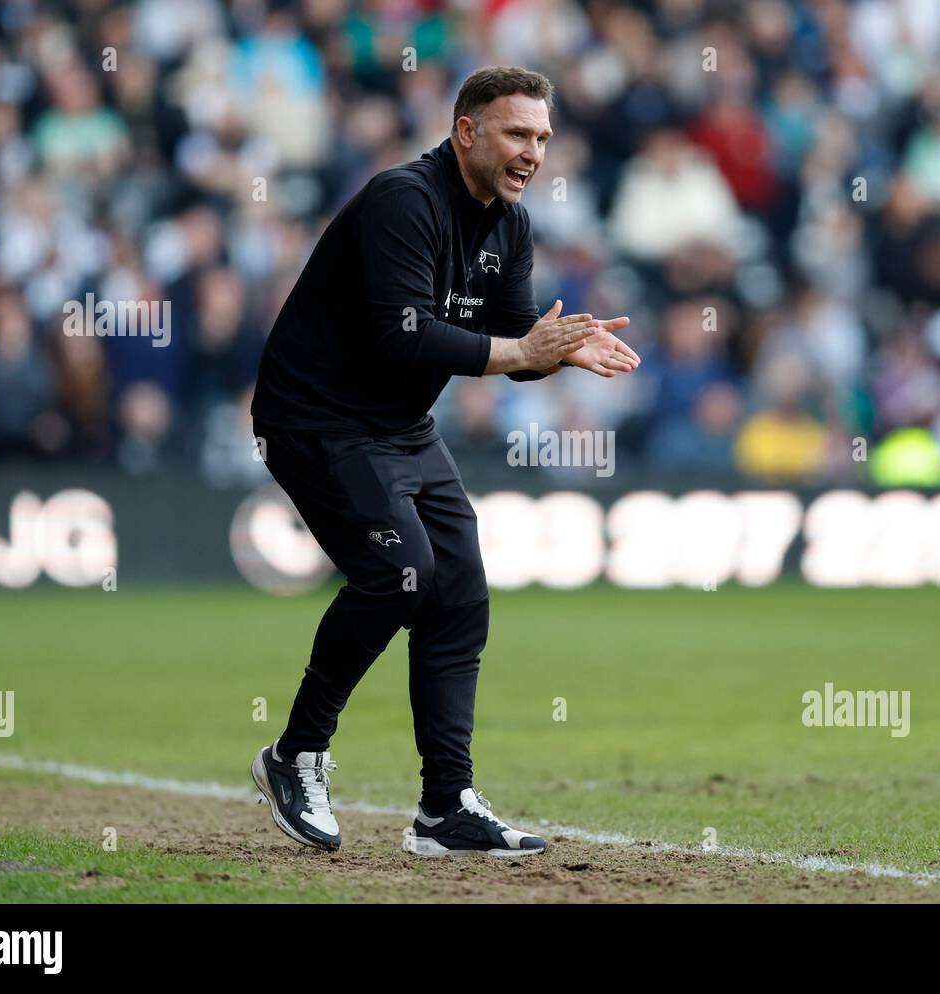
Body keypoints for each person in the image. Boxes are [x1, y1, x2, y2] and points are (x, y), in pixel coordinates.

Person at [248, 66, 639, 857]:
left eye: (543, 139)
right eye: (517, 134)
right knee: (400, 575)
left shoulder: (513, 225)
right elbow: (404, 333)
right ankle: (294, 754)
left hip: (399, 424)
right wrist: (523, 350)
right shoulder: (405, 200)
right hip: (315, 419)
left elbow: (516, 344)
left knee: (458, 590)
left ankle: (444, 807)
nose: (533, 152)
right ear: (467, 131)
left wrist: (557, 353)